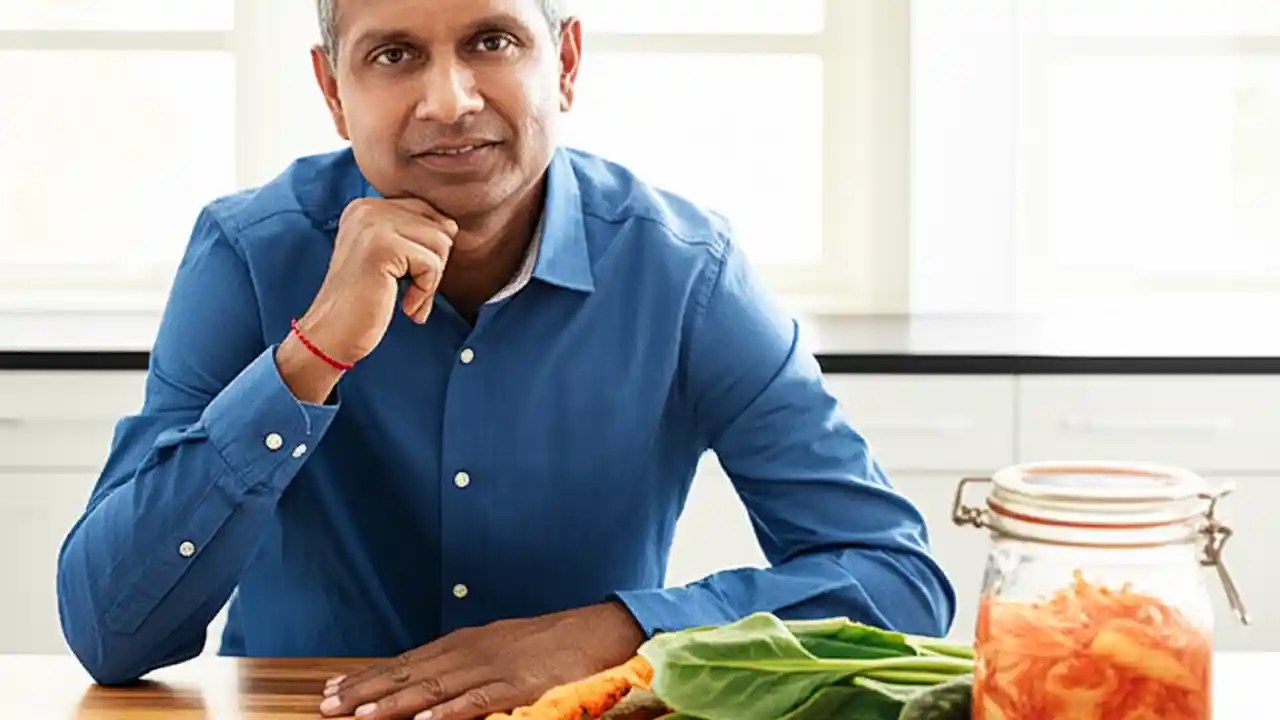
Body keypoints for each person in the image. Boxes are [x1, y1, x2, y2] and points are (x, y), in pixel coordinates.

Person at [56, 0, 955, 718]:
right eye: (394, 55)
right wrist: (310, 354)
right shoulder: (250, 254)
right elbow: (111, 636)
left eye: (490, 40)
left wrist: (615, 633)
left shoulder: (684, 271)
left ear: (562, 62)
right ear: (334, 89)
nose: (448, 100)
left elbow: (896, 580)